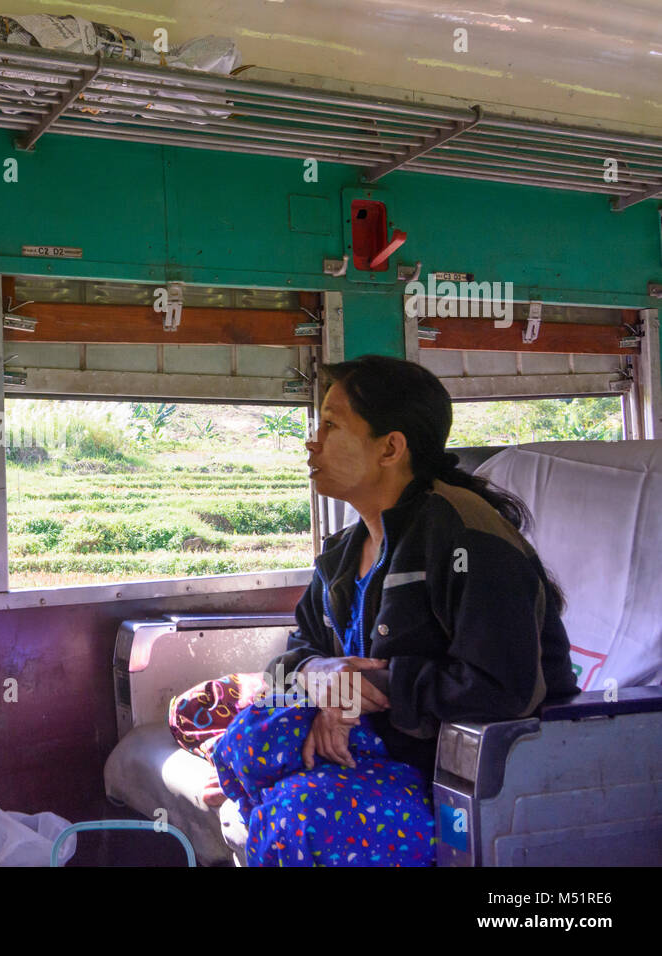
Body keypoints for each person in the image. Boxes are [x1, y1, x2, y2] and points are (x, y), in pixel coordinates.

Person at [183, 355, 577, 866]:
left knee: (299, 816)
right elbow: (290, 660)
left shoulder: (465, 538)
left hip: (460, 775)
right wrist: (321, 673)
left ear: (390, 447)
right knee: (243, 744)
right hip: (383, 748)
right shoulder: (345, 551)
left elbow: (503, 689)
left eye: (331, 425)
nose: (312, 441)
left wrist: (357, 691)